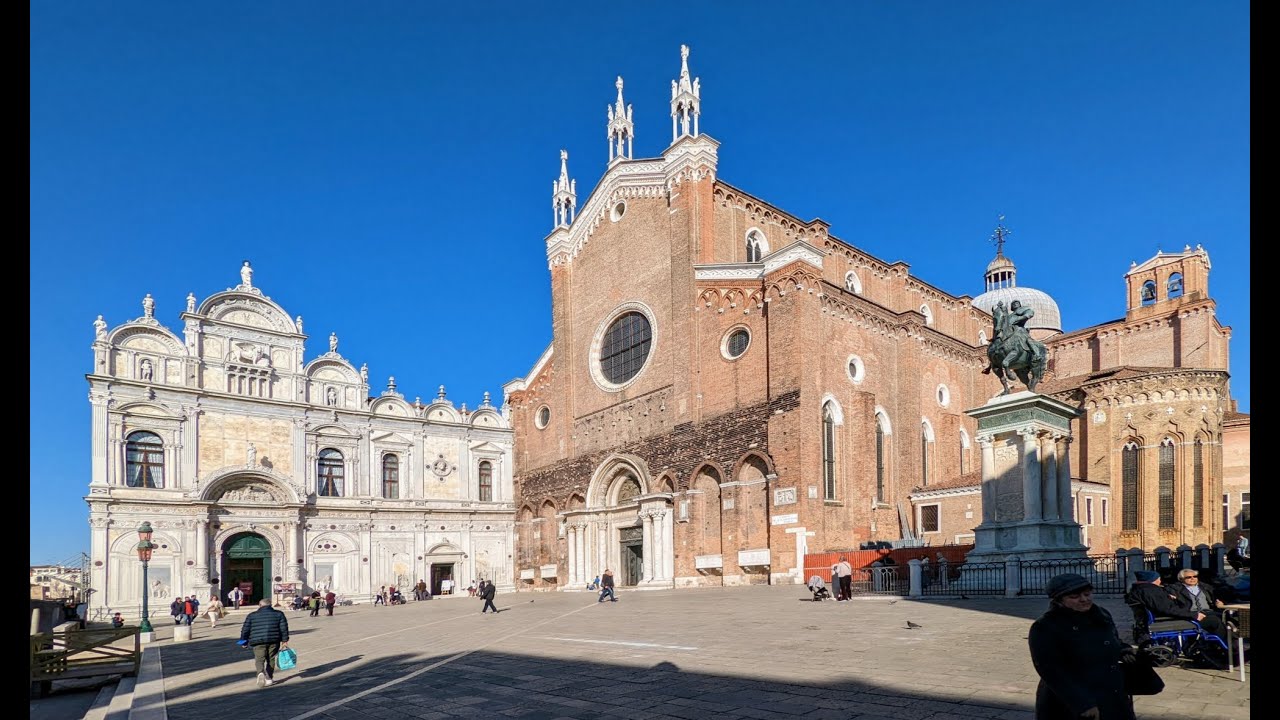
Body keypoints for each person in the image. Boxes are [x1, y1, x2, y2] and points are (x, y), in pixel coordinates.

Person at [1028, 573, 1135, 720]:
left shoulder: (1102, 615)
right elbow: (1050, 670)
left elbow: (1112, 640)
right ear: (1059, 600)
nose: (1084, 599)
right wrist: (1083, 703)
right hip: (1072, 700)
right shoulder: (1046, 626)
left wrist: (1124, 650)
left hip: (1112, 693)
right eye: (1074, 597)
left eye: (1087, 594)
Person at [1125, 570, 1226, 642]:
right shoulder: (1152, 591)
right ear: (1153, 580)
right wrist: (1193, 615)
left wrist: (1168, 598)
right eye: (1158, 579)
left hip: (1166, 616)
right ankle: (1225, 645)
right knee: (1214, 620)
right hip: (1167, 619)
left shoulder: (1142, 590)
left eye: (1195, 576)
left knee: (1218, 616)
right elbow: (1167, 609)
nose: (1160, 581)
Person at [239, 598, 290, 689]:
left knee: (259, 659)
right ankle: (269, 678)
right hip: (274, 640)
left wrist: (243, 642)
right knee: (271, 658)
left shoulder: (252, 615)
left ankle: (260, 672)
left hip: (257, 641)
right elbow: (284, 628)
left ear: (260, 605)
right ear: (270, 605)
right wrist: (284, 640)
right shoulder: (279, 614)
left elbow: (245, 630)